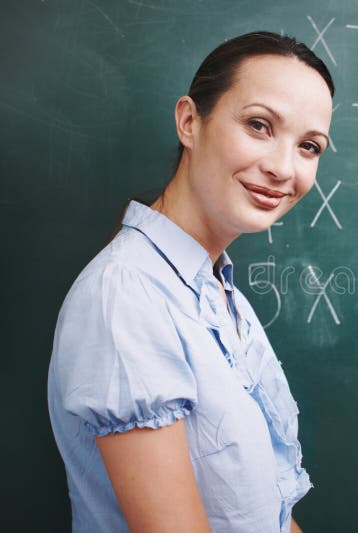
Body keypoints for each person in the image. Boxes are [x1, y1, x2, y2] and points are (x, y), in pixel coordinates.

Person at [47, 32, 334, 533]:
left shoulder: (221, 295)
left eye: (309, 146)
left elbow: (268, 515)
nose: (283, 168)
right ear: (189, 122)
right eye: (258, 125)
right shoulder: (127, 296)